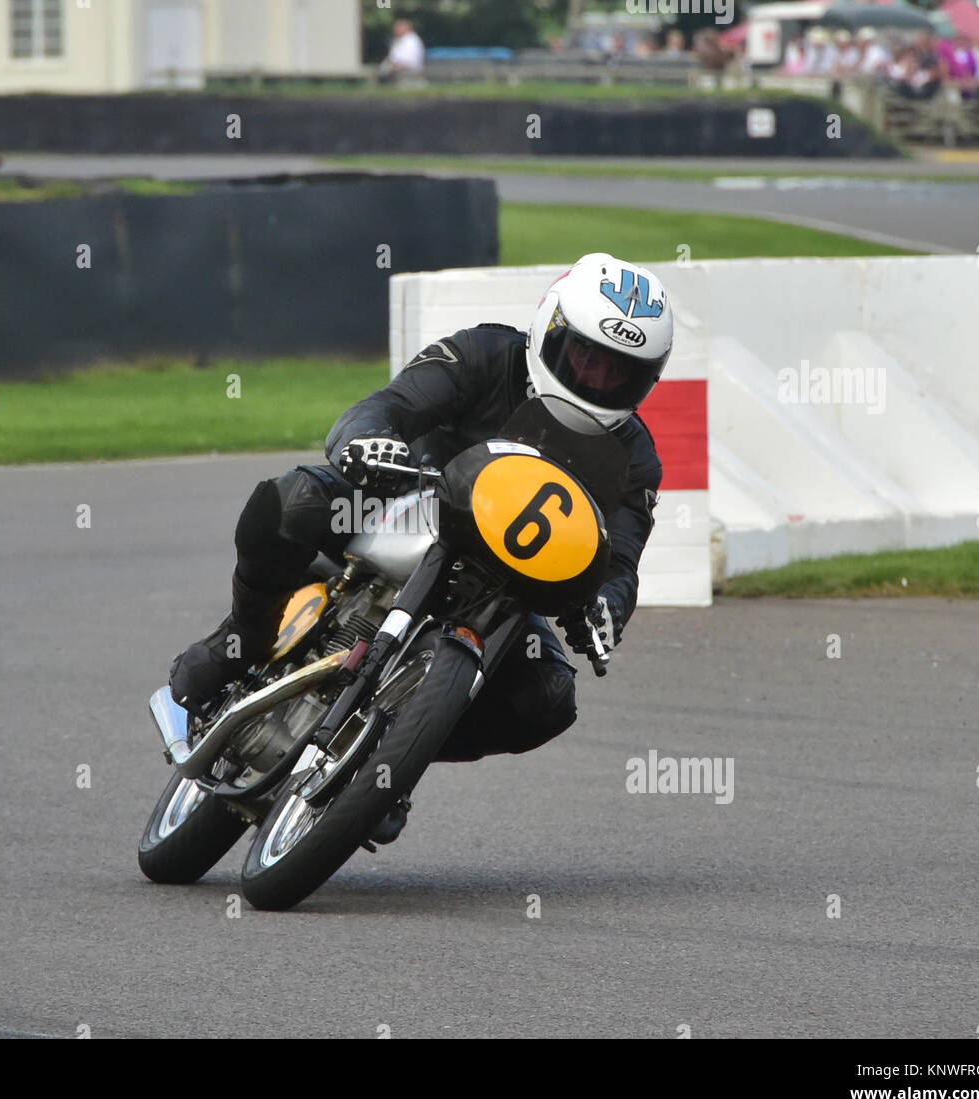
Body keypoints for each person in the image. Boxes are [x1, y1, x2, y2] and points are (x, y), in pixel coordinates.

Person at [169, 254, 673, 842]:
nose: (598, 381)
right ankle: (241, 640)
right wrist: (369, 443)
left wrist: (605, 608)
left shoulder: (635, 459)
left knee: (549, 699)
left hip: (505, 590)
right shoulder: (485, 355)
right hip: (407, 504)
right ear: (551, 328)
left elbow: (622, 563)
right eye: (587, 357)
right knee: (291, 502)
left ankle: (382, 762)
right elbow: (387, 405)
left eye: (622, 373)